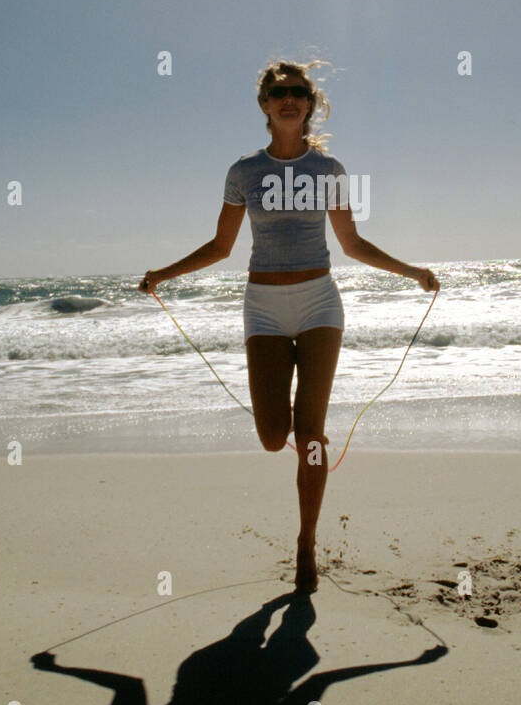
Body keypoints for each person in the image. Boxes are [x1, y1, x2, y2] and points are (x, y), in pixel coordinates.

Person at [140, 57, 439, 593]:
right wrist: (164, 273)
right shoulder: (244, 172)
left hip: (320, 302)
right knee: (273, 436)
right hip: (263, 307)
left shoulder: (329, 171)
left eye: (299, 91)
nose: (290, 98)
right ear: (264, 105)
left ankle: (306, 542)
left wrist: (411, 271)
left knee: (310, 437)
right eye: (279, 92)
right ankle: (301, 501)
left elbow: (352, 244)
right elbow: (221, 246)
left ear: (310, 103)